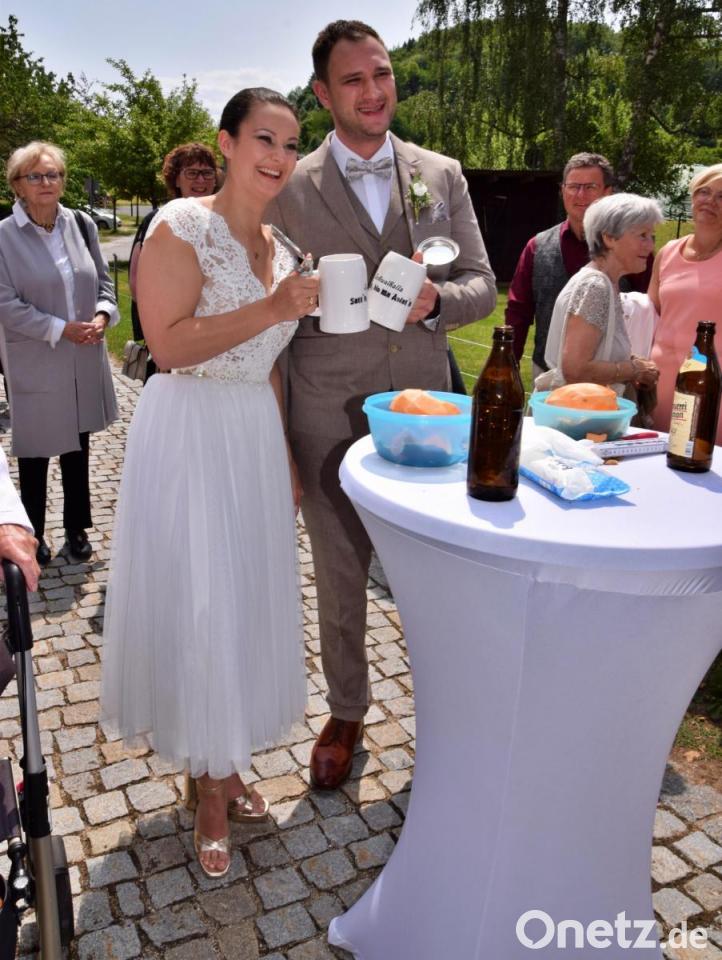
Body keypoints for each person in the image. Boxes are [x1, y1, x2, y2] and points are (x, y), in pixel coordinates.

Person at [268, 20, 497, 790]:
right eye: (354, 81)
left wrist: (436, 303)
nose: (374, 92)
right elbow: (266, 303)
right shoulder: (285, 186)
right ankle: (347, 710)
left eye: (383, 74)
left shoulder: (442, 173)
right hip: (325, 407)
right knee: (339, 572)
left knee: (436, 569)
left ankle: (453, 707)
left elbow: (482, 286)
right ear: (325, 94)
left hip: (424, 407)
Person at [101, 88, 319, 879]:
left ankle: (224, 763)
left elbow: (266, 367)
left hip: (252, 437)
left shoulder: (284, 247)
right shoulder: (177, 225)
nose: (279, 156)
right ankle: (209, 791)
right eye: (265, 137)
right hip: (188, 430)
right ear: (225, 143)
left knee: (243, 595)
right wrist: (269, 307)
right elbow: (167, 345)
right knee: (199, 596)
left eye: (292, 144)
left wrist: (287, 458)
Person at [0, 141, 118, 568]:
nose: (46, 182)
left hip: (83, 355)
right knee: (34, 452)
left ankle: (76, 529)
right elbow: (5, 303)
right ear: (18, 185)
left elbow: (105, 284)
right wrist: (60, 329)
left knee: (78, 445)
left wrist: (103, 317)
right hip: (35, 357)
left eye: (53, 174)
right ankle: (31, 533)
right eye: (35, 176)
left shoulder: (81, 224)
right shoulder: (3, 236)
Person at [505, 152, 653, 381]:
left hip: (610, 382)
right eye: (573, 186)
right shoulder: (537, 246)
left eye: (590, 187)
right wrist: (506, 368)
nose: (580, 195)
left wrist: (637, 368)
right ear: (562, 190)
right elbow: (518, 313)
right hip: (549, 376)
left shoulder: (633, 249)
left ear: (608, 192)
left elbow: (650, 310)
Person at [541, 193, 661, 397]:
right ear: (609, 238)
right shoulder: (595, 286)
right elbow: (575, 370)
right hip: (577, 419)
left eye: (652, 237)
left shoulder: (606, 283)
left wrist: (633, 361)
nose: (650, 246)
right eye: (642, 235)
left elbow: (597, 349)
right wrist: (634, 370)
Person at [129, 143, 219, 380]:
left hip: (216, 338)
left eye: (207, 172)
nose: (201, 179)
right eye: (191, 172)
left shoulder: (222, 221)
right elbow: (138, 285)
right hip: (174, 339)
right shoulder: (159, 220)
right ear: (176, 179)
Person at [648, 163, 722, 442]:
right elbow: (651, 316)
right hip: (659, 384)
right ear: (692, 197)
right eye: (704, 192)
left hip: (711, 386)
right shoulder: (667, 253)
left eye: (721, 196)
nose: (710, 201)